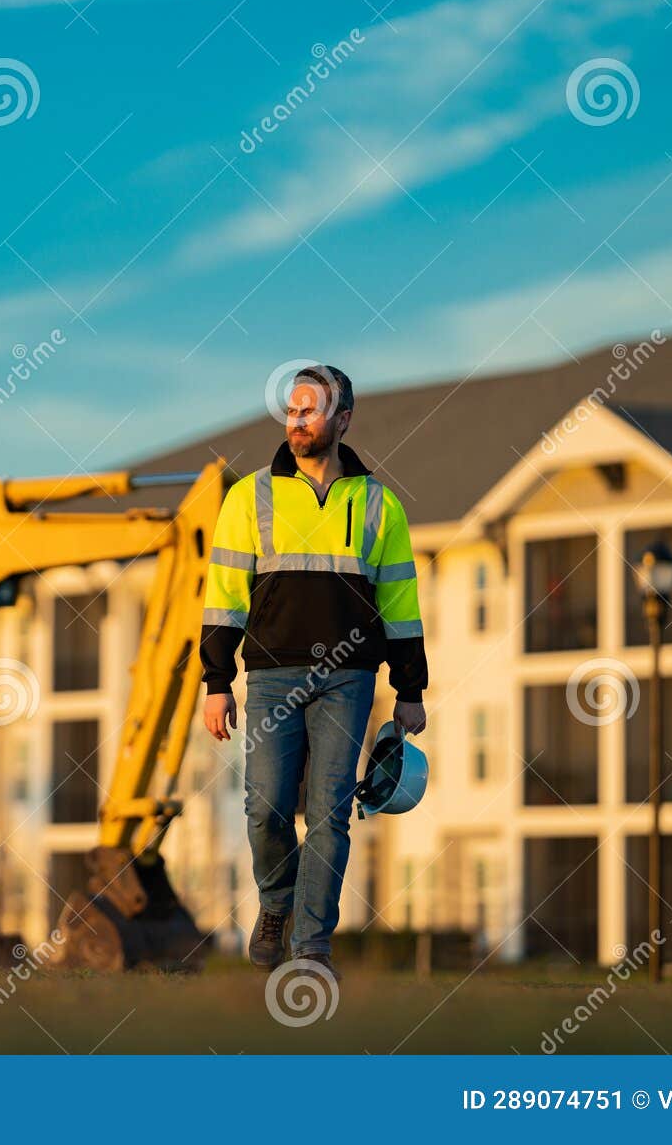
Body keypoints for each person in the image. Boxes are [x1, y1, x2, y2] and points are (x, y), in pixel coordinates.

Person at [200, 365, 428, 979]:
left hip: (349, 679)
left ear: (343, 419)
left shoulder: (380, 504)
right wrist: (216, 681)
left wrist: (410, 690)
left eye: (311, 410)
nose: (297, 420)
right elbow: (224, 592)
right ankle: (277, 905)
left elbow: (400, 605)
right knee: (264, 807)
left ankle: (312, 947)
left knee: (330, 813)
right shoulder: (248, 497)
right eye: (291, 409)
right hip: (272, 674)